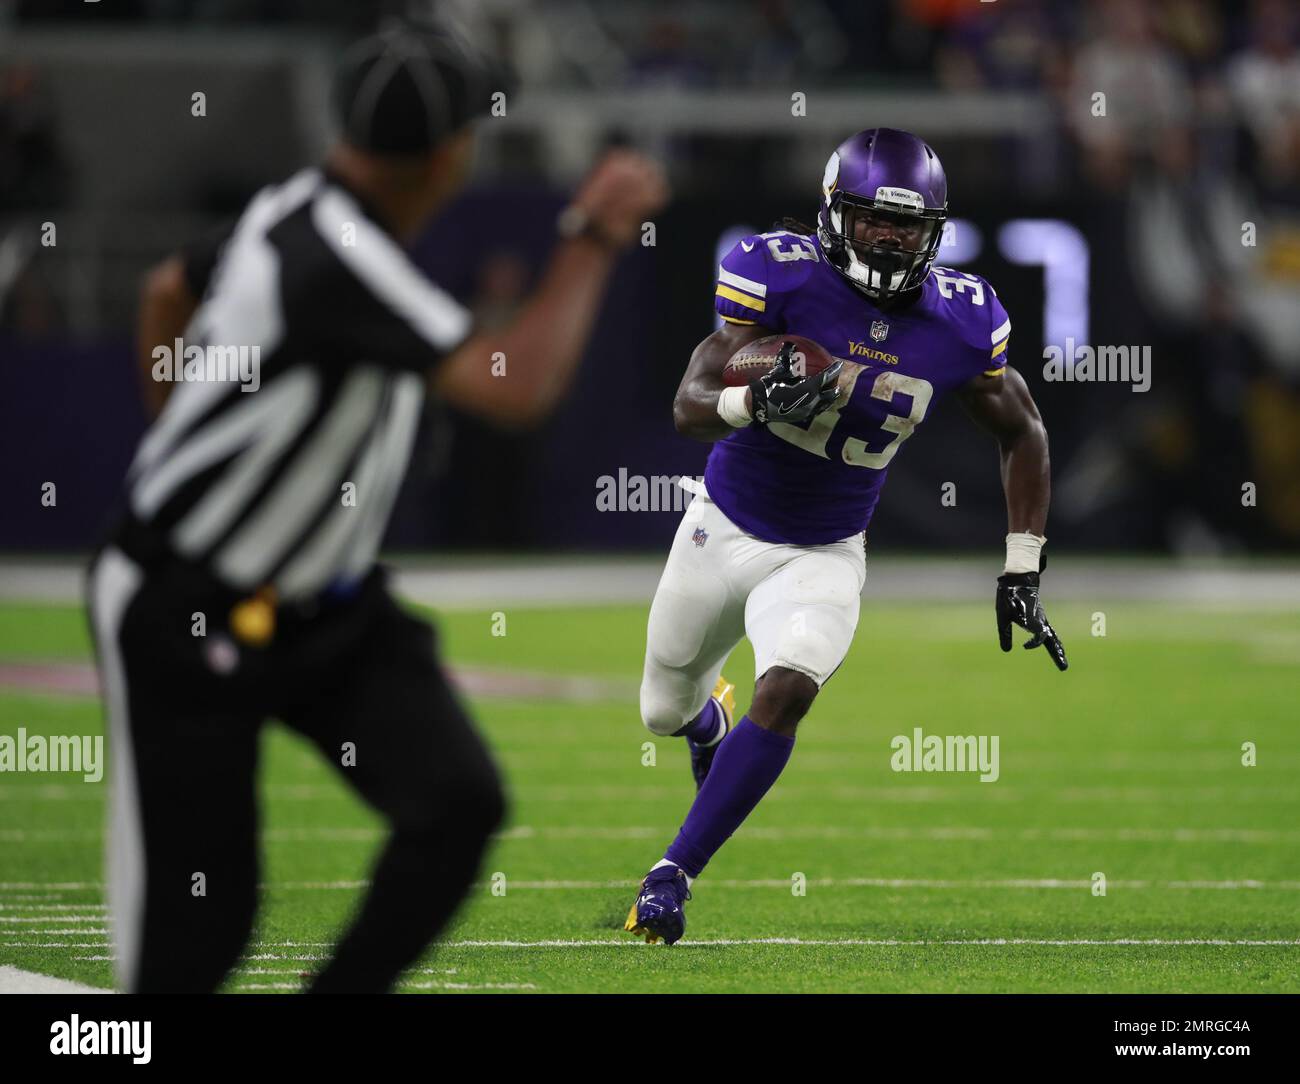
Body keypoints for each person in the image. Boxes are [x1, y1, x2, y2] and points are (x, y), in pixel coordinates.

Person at [87, 22, 667, 992]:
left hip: (320, 602)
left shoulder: (296, 209)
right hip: (186, 604)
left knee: (454, 801)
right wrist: (595, 235)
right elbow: (515, 384)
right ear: (445, 156)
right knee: (201, 930)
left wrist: (174, 413)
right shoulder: (342, 255)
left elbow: (164, 289)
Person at [625, 127, 1064, 945]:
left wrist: (1021, 568)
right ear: (835, 215)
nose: (893, 239)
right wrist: (751, 403)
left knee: (789, 687)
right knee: (661, 709)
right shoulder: (779, 275)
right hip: (720, 529)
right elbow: (688, 404)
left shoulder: (963, 322)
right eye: (874, 221)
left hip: (824, 550)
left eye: (909, 226)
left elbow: (1024, 430)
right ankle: (706, 727)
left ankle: (671, 874)